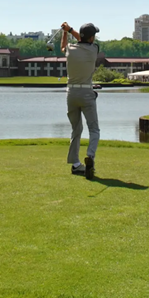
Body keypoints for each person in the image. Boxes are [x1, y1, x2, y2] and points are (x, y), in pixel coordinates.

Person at [61, 21, 101, 180]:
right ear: (91, 38)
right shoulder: (94, 49)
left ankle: (76, 164)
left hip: (71, 93)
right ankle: (90, 156)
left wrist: (65, 31)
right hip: (86, 92)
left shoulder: (70, 49)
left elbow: (63, 46)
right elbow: (83, 40)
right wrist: (70, 29)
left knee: (76, 129)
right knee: (94, 129)